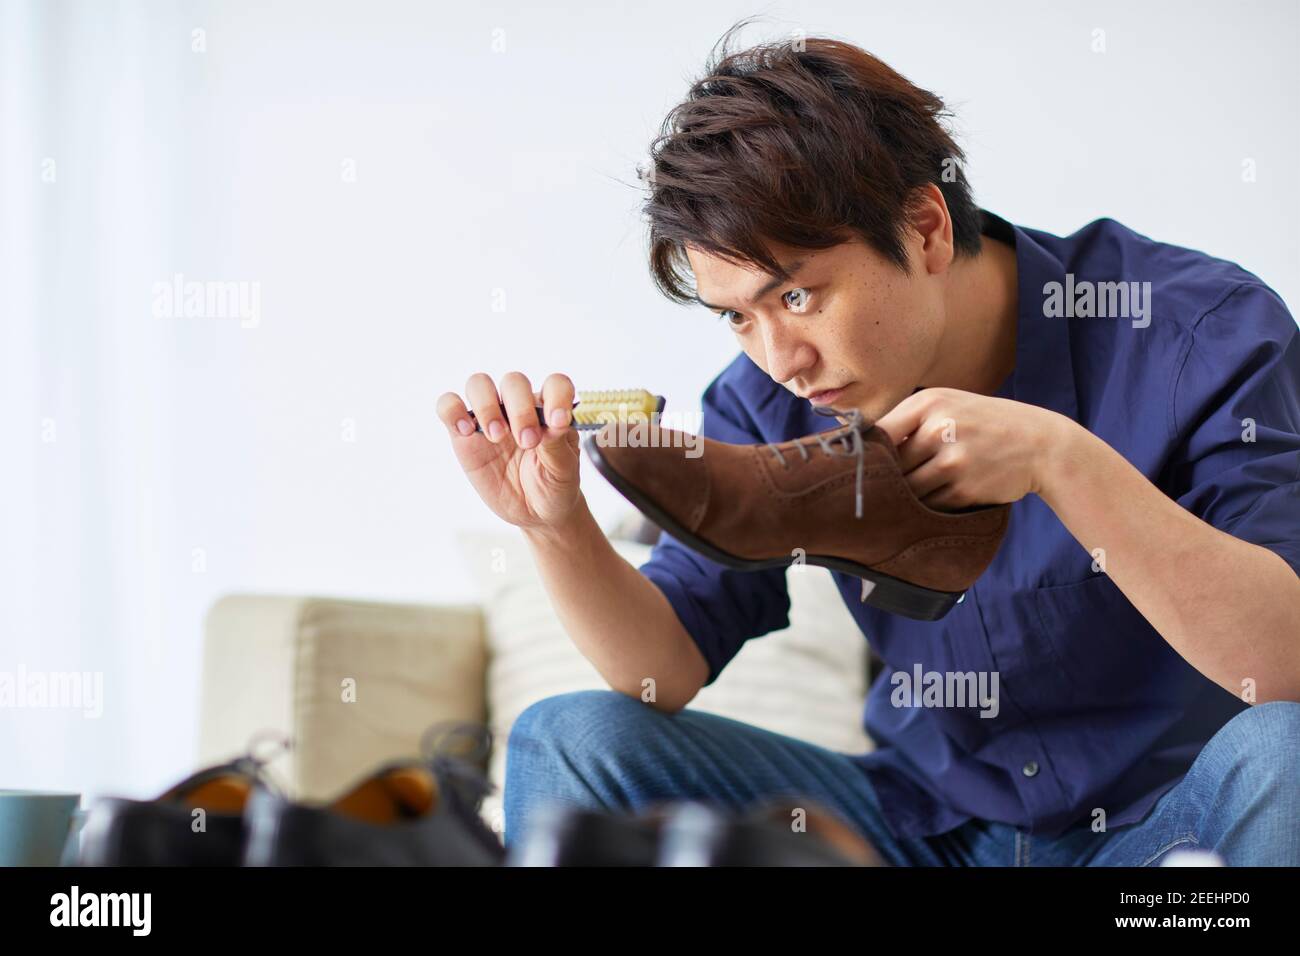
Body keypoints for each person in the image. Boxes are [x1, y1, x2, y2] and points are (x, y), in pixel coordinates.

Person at [436, 24, 1300, 865]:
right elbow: (663, 668)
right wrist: (555, 526)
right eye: (739, 317)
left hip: (1169, 835)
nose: (781, 360)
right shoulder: (767, 401)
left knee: (1288, 752)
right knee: (573, 736)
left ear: (925, 228)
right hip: (920, 832)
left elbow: (1285, 667)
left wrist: (1061, 460)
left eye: (800, 298)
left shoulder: (1193, 329)